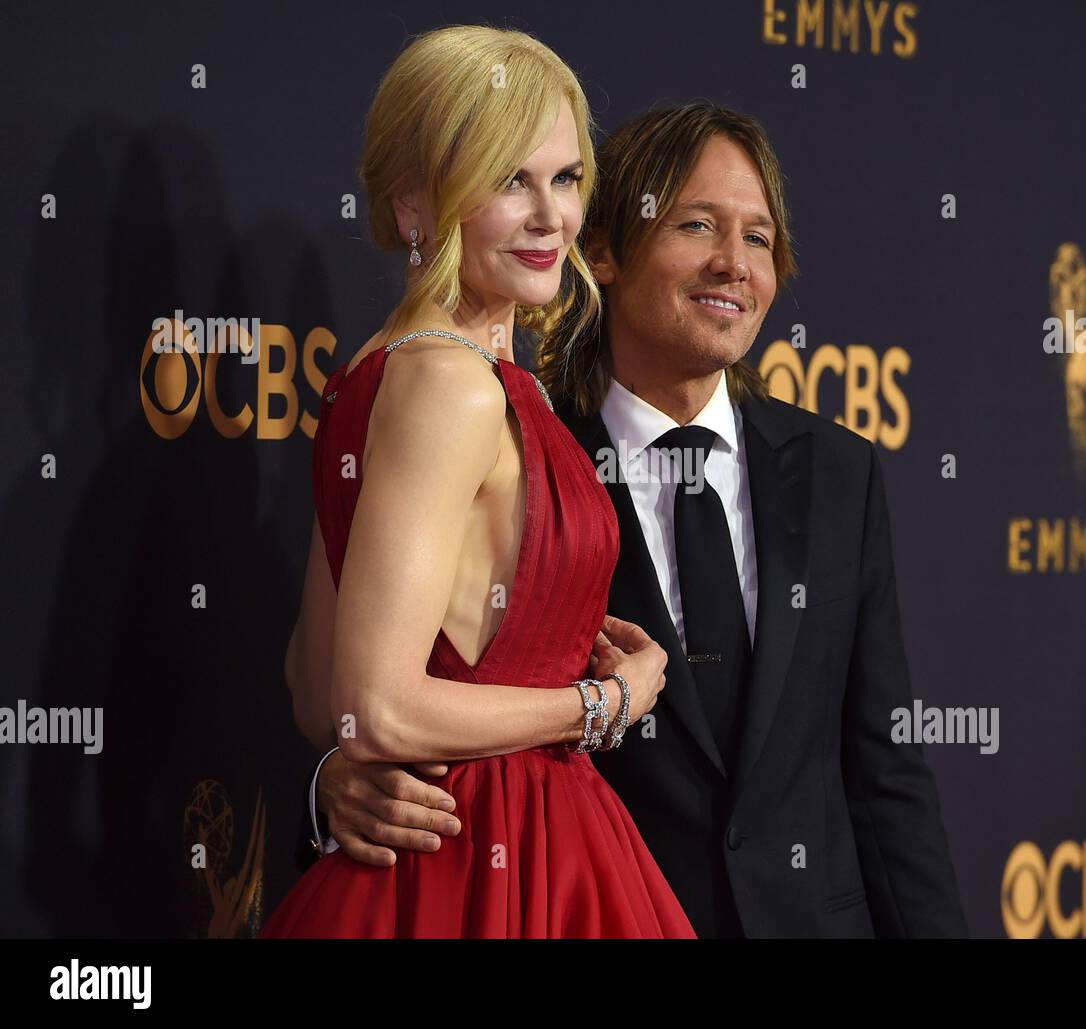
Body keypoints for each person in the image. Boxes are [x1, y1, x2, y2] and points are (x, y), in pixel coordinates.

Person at [307, 101, 968, 938]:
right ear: (604, 250)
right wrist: (338, 776)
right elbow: (380, 675)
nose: (734, 264)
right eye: (698, 225)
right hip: (587, 911)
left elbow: (886, 770)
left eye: (759, 238)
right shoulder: (529, 464)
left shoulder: (838, 474)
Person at [261, 25, 695, 938]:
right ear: (415, 201)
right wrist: (604, 702)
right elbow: (371, 704)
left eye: (567, 178)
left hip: (471, 843)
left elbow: (313, 679)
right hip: (488, 853)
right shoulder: (450, 386)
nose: (553, 217)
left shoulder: (380, 374)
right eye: (510, 180)